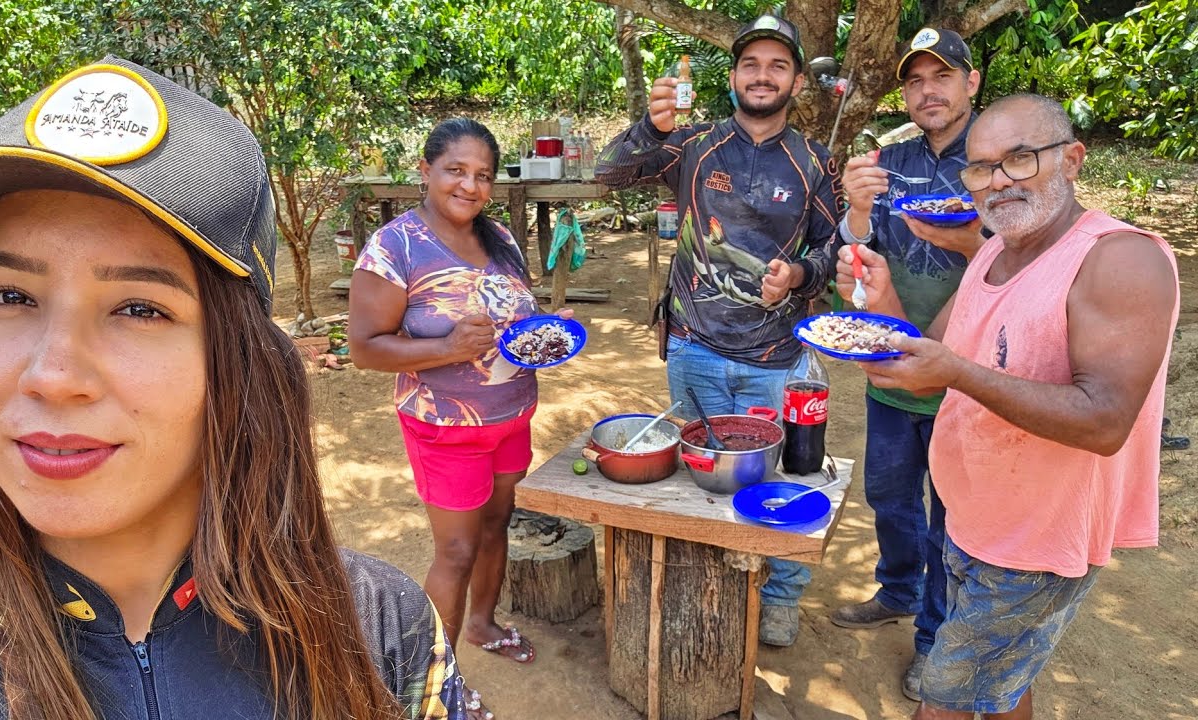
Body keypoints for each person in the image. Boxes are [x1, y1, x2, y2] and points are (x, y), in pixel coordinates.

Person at [0, 57, 466, 719]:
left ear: (242, 362)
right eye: (8, 295)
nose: (53, 376)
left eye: (140, 308)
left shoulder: (382, 630)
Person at [837, 94, 1178, 720]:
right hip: (975, 516)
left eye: (1019, 160)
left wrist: (959, 374)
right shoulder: (994, 249)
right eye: (980, 167)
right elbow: (928, 358)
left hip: (1035, 542)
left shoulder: (1120, 259)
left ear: (1072, 159)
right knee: (1002, 686)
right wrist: (879, 296)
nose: (996, 181)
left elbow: (1105, 422)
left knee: (943, 700)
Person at [595, 13, 842, 647]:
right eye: (751, 65)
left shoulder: (815, 162)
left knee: (784, 480)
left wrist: (798, 275)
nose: (763, 76)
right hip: (694, 348)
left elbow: (833, 254)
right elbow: (608, 173)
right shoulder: (694, 145)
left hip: (775, 356)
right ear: (732, 77)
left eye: (777, 66)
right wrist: (651, 126)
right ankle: (711, 591)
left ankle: (781, 597)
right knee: (696, 473)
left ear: (794, 81)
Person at [350, 118, 568, 719]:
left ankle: (481, 623)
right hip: (444, 426)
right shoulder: (394, 248)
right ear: (425, 170)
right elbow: (366, 347)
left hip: (512, 415)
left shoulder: (499, 238)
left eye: (482, 176)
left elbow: (509, 319)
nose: (469, 186)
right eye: (456, 171)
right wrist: (448, 348)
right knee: (455, 552)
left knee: (497, 526)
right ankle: (434, 687)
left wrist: (547, 327)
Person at [829, 27, 984, 700]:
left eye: (942, 77)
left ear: (970, 83)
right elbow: (861, 250)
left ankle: (934, 637)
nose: (928, 91)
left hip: (965, 373)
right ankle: (896, 589)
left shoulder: (995, 159)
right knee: (890, 494)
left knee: (952, 516)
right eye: (916, 80)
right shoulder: (891, 160)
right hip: (890, 359)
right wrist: (857, 210)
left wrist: (972, 237)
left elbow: (1023, 267)